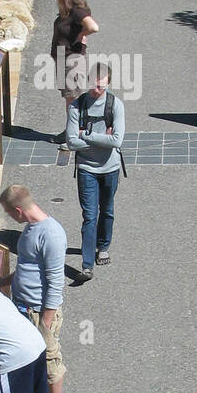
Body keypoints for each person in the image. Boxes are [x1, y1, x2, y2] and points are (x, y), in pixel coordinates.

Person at [0, 184, 69, 393]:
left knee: (49, 358)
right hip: (26, 307)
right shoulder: (31, 228)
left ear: (18, 210)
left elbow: (55, 280)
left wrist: (46, 321)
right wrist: (2, 281)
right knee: (34, 359)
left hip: (40, 310)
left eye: (8, 213)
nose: (10, 218)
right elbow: (28, 267)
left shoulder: (51, 234)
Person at [66, 60, 125, 281]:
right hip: (86, 168)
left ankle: (103, 246)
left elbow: (117, 140)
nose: (97, 90)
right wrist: (104, 139)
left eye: (102, 86)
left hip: (111, 168)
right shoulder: (76, 106)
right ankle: (87, 264)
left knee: (107, 210)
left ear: (108, 85)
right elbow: (71, 142)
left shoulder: (116, 105)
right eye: (94, 85)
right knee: (90, 216)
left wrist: (86, 135)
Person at [49, 0, 99, 144]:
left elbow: (93, 27)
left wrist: (81, 35)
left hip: (72, 60)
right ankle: (73, 130)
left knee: (73, 99)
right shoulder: (68, 12)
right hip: (64, 59)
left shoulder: (77, 11)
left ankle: (74, 133)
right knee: (70, 98)